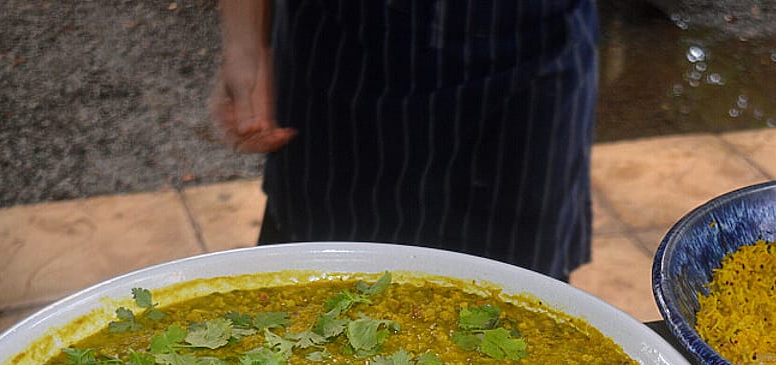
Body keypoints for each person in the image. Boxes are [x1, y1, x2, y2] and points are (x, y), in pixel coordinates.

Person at [211, 0, 599, 281]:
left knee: (522, 298)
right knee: (307, 287)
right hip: (345, 51)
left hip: (533, 57)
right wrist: (244, 44)